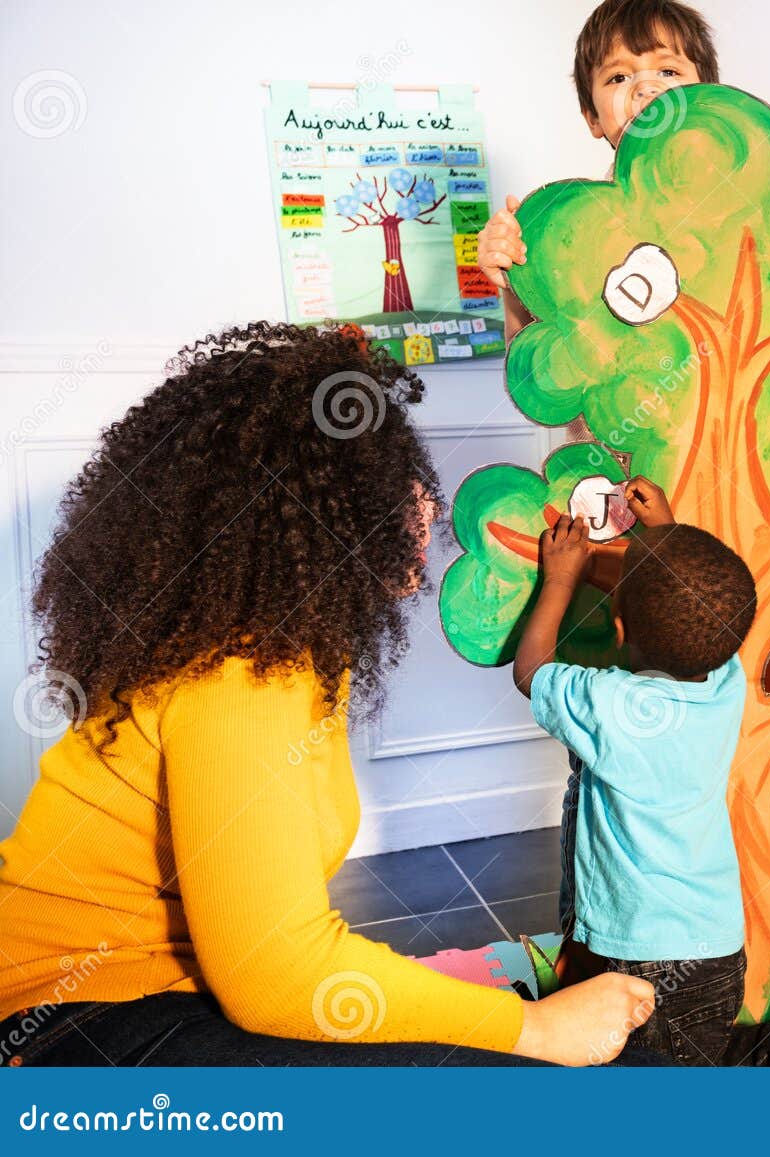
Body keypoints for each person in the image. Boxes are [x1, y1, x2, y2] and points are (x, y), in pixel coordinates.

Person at [0, 323, 657, 1066]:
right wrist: (536, 1028)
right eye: (382, 473)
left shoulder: (293, 649)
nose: (422, 496)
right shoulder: (241, 675)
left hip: (176, 993)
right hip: (70, 1025)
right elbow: (276, 975)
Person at [476, 0, 770, 941]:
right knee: (615, 745)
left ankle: (737, 942)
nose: (643, 93)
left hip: (732, 537)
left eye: (665, 71)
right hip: (631, 528)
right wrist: (510, 279)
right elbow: (541, 371)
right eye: (618, 79)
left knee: (730, 729)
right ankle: (598, 938)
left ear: (707, 89)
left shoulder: (763, 210)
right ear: (592, 116)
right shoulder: (579, 229)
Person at [513, 479, 770, 1066]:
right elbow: (697, 614)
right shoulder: (724, 683)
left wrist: (560, 578)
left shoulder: (613, 706)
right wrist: (663, 532)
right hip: (715, 942)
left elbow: (532, 671)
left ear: (620, 628)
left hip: (638, 955)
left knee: (659, 1077)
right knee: (698, 1053)